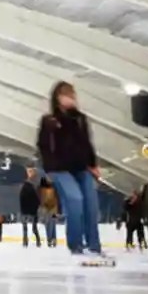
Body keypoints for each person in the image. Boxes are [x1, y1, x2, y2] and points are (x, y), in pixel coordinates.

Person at [36, 81, 105, 260]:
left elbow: (87, 143)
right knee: (75, 199)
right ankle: (75, 244)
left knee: (91, 205)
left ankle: (94, 245)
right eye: (66, 94)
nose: (70, 97)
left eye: (72, 94)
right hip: (59, 170)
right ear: (58, 97)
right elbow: (43, 146)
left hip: (81, 168)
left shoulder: (80, 119)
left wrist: (93, 164)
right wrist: (49, 168)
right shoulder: (49, 121)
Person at [19, 167, 42, 248]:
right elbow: (37, 200)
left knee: (25, 228)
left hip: (24, 211)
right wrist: (36, 207)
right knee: (34, 228)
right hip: (33, 211)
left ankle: (25, 242)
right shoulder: (32, 189)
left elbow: (21, 200)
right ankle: (38, 241)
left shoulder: (23, 189)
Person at [38, 176, 60, 248]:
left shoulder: (49, 189)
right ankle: (52, 240)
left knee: (50, 224)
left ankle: (51, 240)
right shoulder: (50, 188)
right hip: (51, 209)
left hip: (50, 209)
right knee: (51, 224)